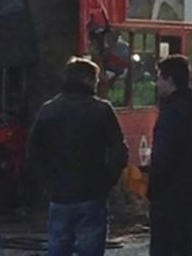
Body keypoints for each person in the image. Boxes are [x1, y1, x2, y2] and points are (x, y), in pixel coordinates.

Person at [28, 57, 129, 256]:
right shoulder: (102, 110)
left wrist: (47, 182)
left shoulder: (48, 110)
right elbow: (119, 151)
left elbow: (33, 151)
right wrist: (108, 180)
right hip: (92, 192)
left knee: (58, 248)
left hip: (59, 194)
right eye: (96, 80)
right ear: (88, 80)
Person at [148, 54, 192, 256]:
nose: (157, 83)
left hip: (169, 194)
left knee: (164, 246)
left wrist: (153, 188)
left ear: (170, 80)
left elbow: (163, 154)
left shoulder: (171, 112)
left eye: (159, 77)